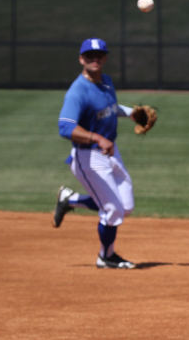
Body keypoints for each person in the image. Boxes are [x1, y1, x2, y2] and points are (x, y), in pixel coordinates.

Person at [53, 38, 139, 269]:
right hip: (88, 157)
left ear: (105, 58)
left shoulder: (106, 82)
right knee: (112, 210)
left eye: (99, 55)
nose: (94, 59)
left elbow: (109, 109)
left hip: (111, 152)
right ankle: (106, 256)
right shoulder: (77, 91)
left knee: (126, 206)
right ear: (81, 59)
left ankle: (69, 200)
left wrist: (132, 113)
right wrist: (97, 137)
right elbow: (66, 127)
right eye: (89, 55)